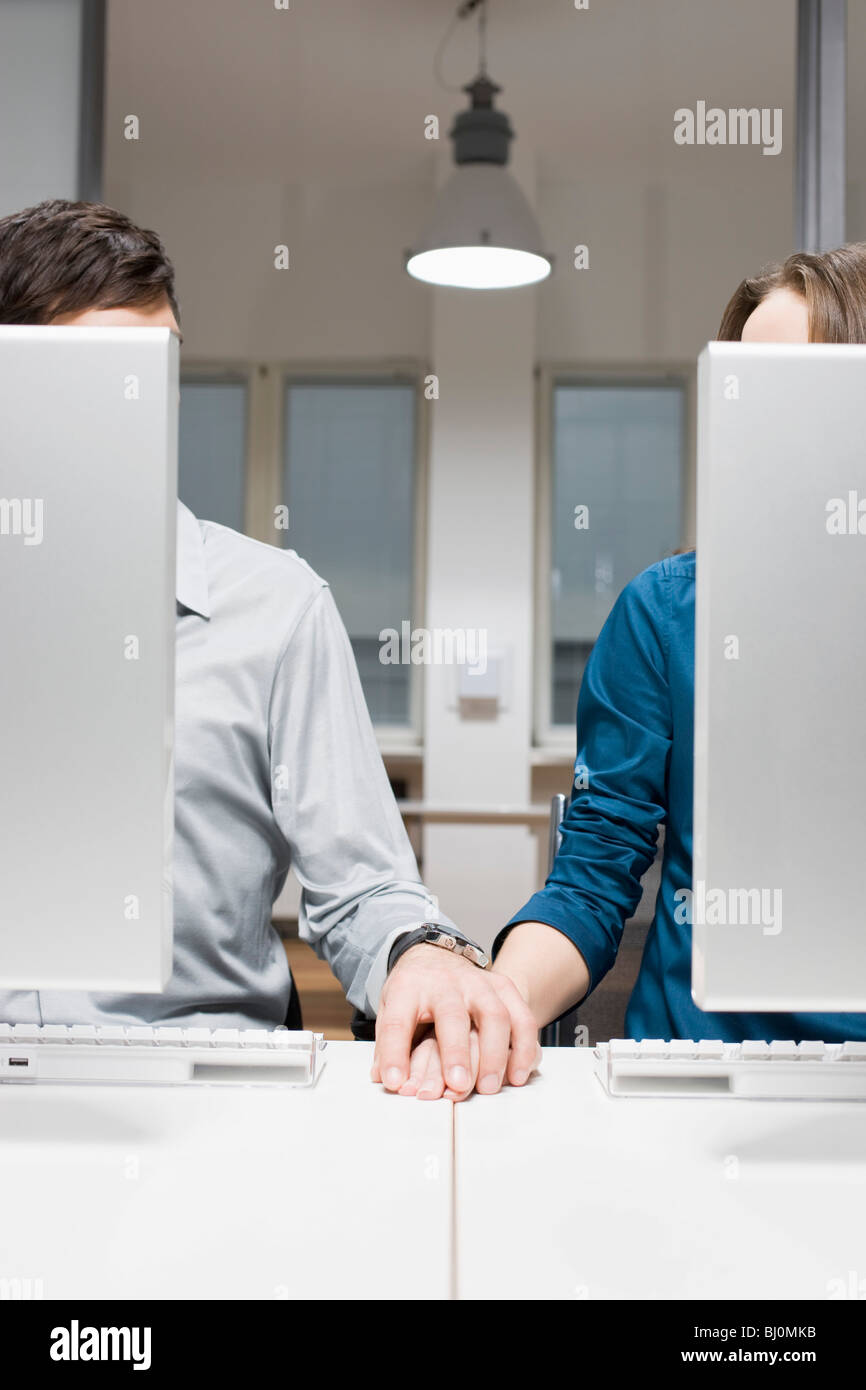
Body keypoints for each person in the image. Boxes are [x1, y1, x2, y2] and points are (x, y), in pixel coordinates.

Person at [0, 198, 539, 1101]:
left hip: (204, 1094)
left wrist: (422, 955)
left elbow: (366, 889)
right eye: (98, 377)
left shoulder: (277, 607)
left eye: (154, 372)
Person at [407, 243, 866, 1097]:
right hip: (698, 1081)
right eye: (741, 399)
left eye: (792, 398)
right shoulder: (666, 615)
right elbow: (592, 877)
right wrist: (499, 1001)